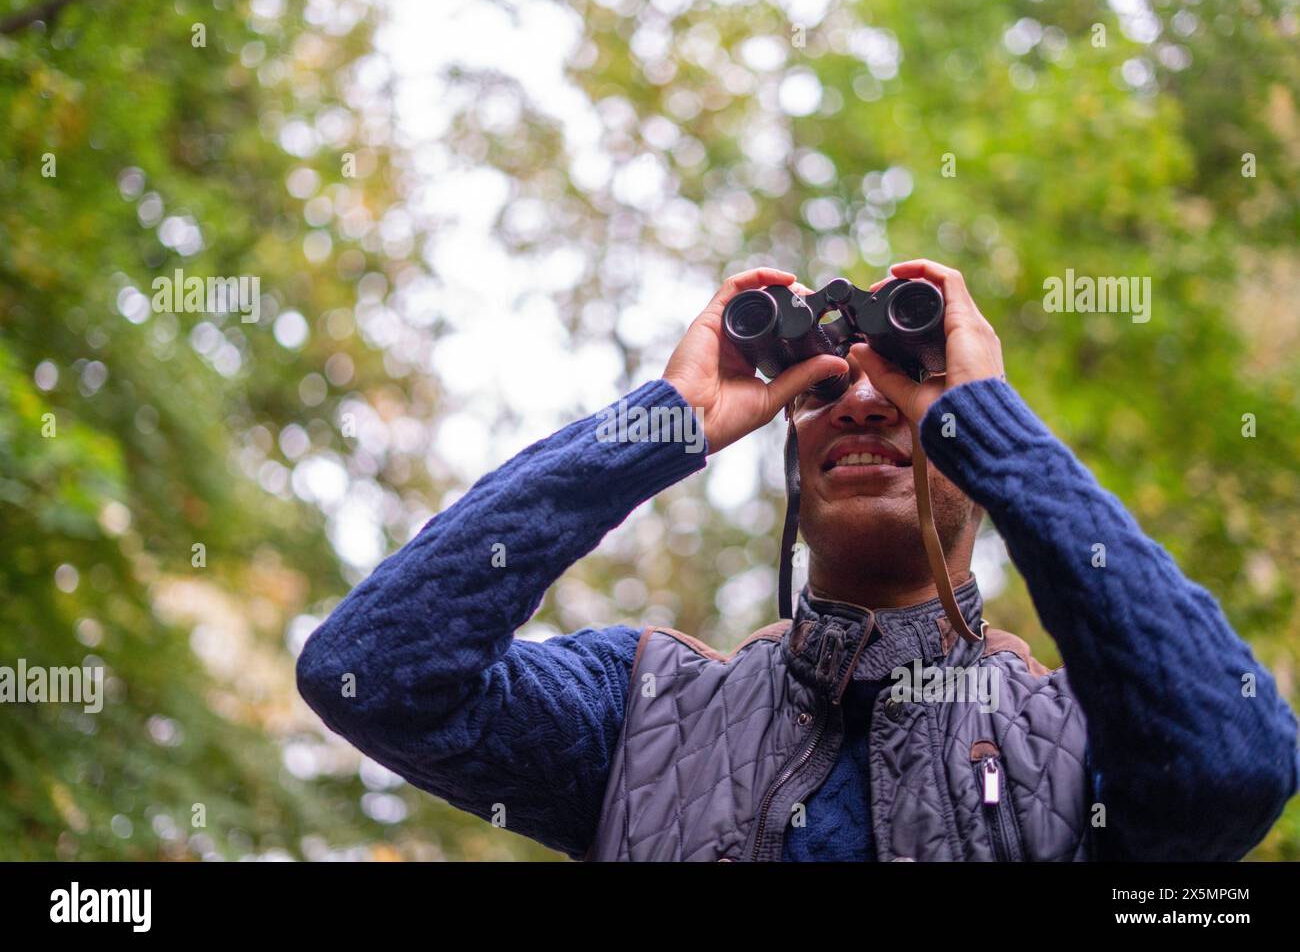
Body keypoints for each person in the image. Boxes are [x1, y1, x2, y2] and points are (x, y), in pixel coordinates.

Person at [296, 259, 1300, 861]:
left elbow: (1236, 764)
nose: (862, 402)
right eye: (822, 390)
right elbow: (374, 674)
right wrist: (661, 426)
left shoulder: (1075, 738)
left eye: (905, 384)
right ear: (790, 465)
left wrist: (991, 428)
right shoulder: (645, 714)